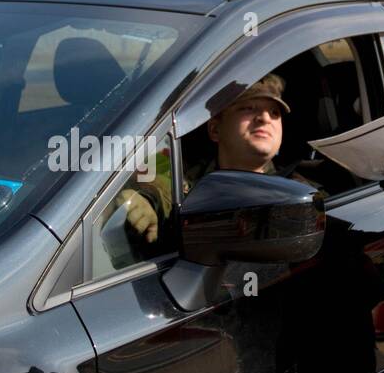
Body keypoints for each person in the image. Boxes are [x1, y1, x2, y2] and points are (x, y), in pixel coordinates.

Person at [117, 73, 325, 245]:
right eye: (248, 108)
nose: (264, 118)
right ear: (215, 129)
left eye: (274, 112)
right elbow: (159, 194)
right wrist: (144, 202)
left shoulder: (302, 191)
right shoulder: (187, 184)